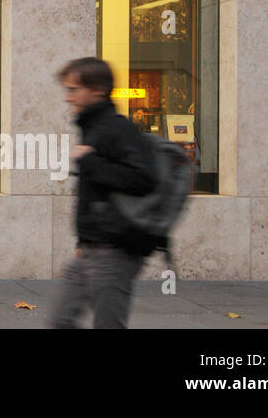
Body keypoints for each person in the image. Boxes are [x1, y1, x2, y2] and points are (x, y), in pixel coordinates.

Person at [49, 56, 158, 330]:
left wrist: (91, 162)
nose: (67, 98)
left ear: (96, 89)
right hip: (90, 248)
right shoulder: (93, 127)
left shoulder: (116, 128)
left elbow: (144, 179)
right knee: (61, 321)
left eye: (73, 90)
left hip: (116, 251)